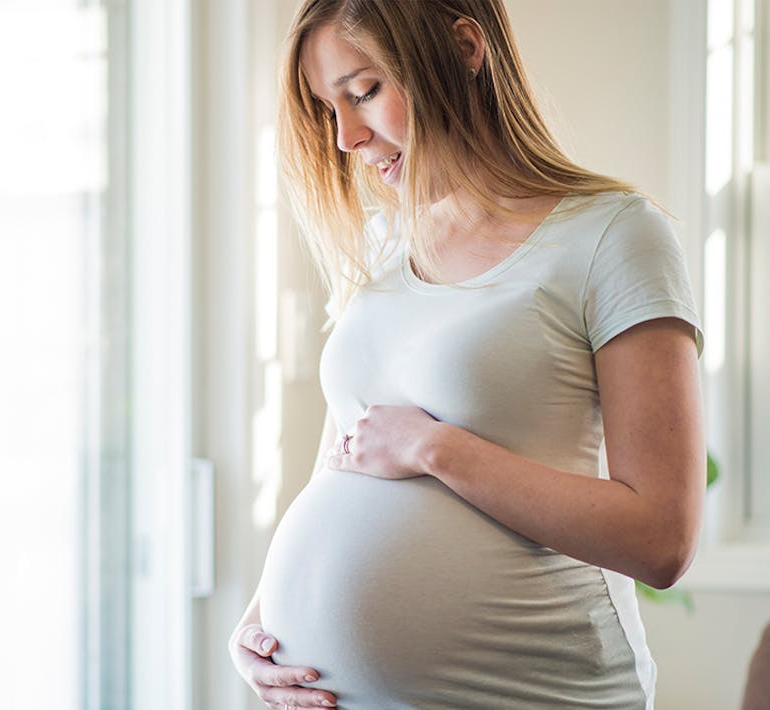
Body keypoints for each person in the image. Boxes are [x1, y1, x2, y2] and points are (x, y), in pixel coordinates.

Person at [228, 1, 705, 708]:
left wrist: (438, 450)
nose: (346, 137)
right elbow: (349, 454)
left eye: (363, 92)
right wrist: (262, 621)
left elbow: (662, 539)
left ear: (464, 48)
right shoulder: (387, 248)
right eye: (329, 108)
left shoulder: (614, 236)